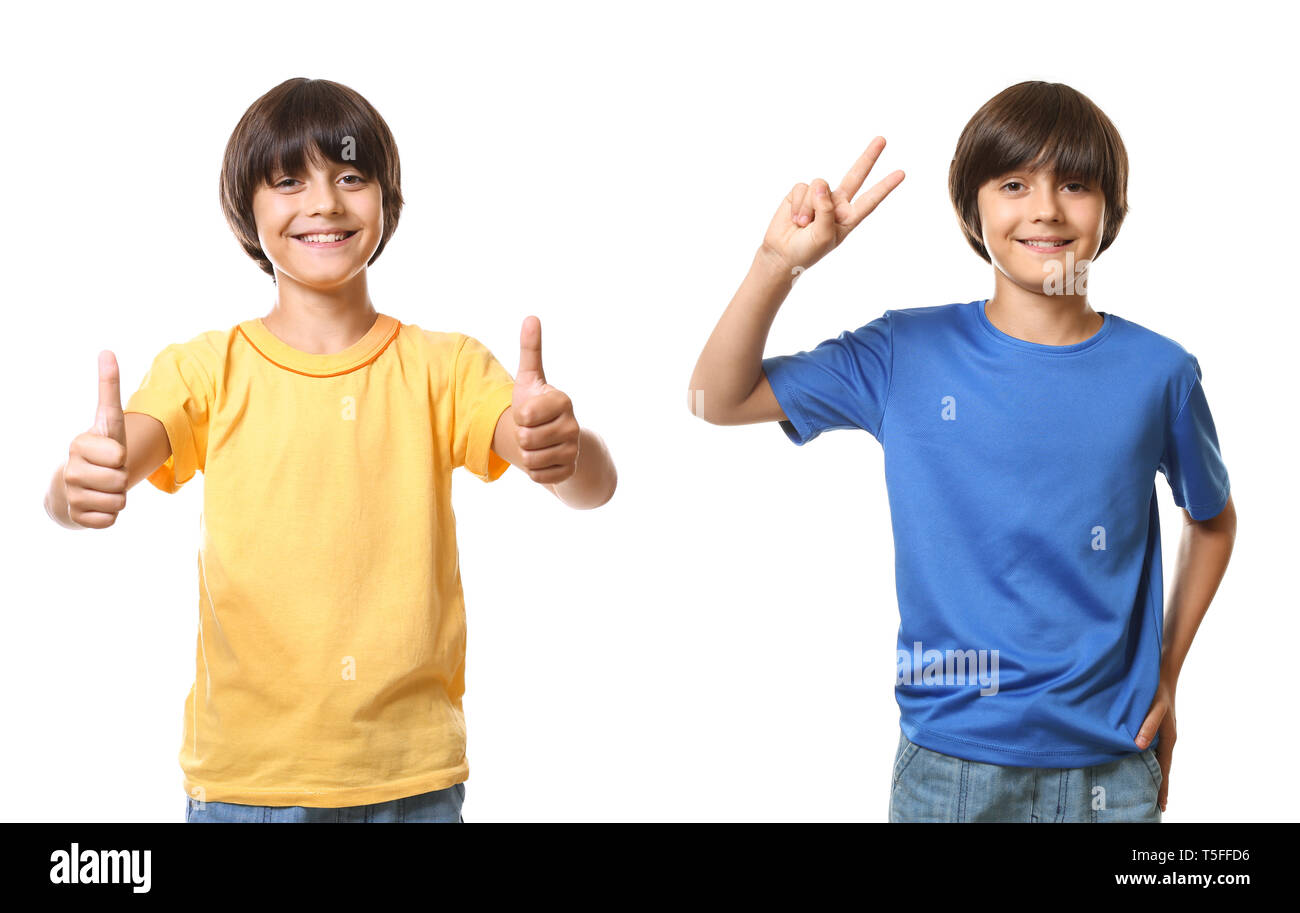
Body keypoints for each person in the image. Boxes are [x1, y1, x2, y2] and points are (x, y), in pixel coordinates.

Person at [43, 77, 617, 823]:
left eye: (352, 176)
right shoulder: (205, 369)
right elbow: (110, 462)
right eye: (289, 181)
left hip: (412, 783)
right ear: (246, 212)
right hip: (245, 786)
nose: (325, 202)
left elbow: (589, 483)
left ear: (388, 199)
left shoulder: (444, 367)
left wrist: (559, 449)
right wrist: (75, 482)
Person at [688, 81, 1235, 822]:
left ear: (1111, 209)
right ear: (970, 210)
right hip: (949, 770)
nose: (1044, 208)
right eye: (1014, 183)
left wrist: (1169, 670)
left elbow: (1212, 517)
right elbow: (716, 397)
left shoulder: (1160, 371)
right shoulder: (902, 353)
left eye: (1074, 184)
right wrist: (776, 261)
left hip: (1113, 765)